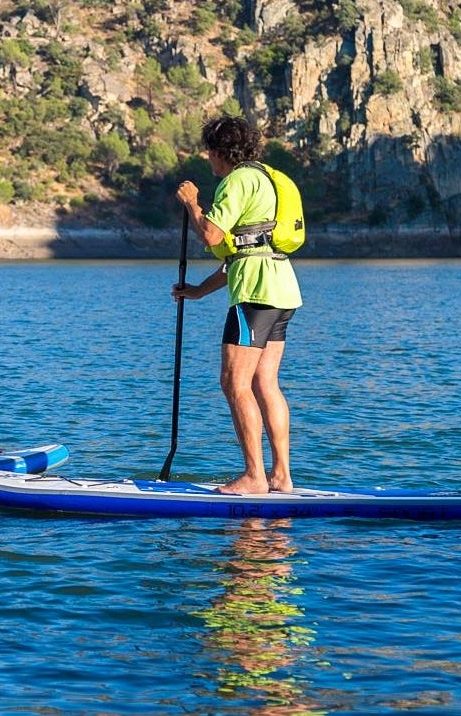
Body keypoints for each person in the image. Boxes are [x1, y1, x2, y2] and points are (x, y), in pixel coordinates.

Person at [173, 116, 302, 494]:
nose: (208, 160)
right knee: (265, 382)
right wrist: (198, 291)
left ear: (218, 152)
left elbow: (212, 233)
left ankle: (254, 477)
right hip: (281, 287)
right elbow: (243, 250)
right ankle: (281, 475)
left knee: (234, 382)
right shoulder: (264, 177)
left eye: (209, 152)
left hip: (255, 293)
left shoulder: (238, 179)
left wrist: (192, 203)